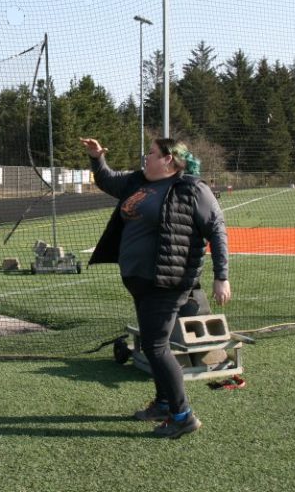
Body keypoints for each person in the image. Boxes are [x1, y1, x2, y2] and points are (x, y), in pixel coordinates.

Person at [80, 137, 231, 439]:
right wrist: (97, 158)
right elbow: (108, 180)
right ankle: (164, 404)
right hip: (141, 281)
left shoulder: (191, 188)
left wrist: (221, 275)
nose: (145, 158)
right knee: (156, 344)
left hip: (167, 281)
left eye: (151, 153)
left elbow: (216, 227)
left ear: (169, 160)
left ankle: (183, 415)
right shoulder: (138, 182)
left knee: (156, 347)